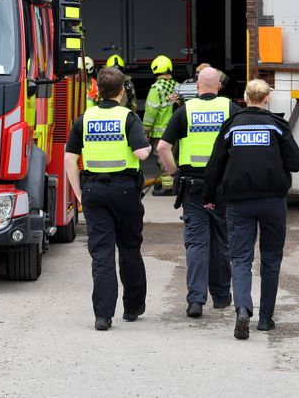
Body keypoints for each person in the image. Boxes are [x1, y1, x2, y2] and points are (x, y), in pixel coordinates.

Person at [203, 79, 299, 340]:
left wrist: (209, 196)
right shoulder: (277, 126)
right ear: (267, 99)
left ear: (245, 98)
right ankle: (266, 318)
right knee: (271, 259)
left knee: (240, 259)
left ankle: (243, 310)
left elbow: (214, 165)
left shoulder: (231, 128)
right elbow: (297, 163)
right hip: (272, 203)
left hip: (238, 204)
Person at [64, 67, 152, 331]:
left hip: (93, 191)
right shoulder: (129, 117)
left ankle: (103, 316)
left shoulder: (84, 119)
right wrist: (145, 145)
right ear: (122, 91)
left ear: (98, 91)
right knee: (129, 248)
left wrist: (79, 193)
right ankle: (132, 307)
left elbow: (69, 159)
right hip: (125, 191)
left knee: (101, 254)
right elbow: (142, 154)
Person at [158, 67, 240, 318]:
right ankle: (222, 296)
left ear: (197, 87)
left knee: (196, 243)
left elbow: (162, 148)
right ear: (218, 87)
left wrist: (174, 174)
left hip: (193, 187)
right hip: (223, 187)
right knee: (222, 240)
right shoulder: (231, 109)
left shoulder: (185, 111)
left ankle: (195, 301)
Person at [143, 55, 178, 196]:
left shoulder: (156, 88)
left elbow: (151, 112)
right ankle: (174, 183)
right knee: (173, 156)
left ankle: (168, 187)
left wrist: (145, 130)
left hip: (160, 132)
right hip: (174, 130)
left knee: (162, 158)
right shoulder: (176, 85)